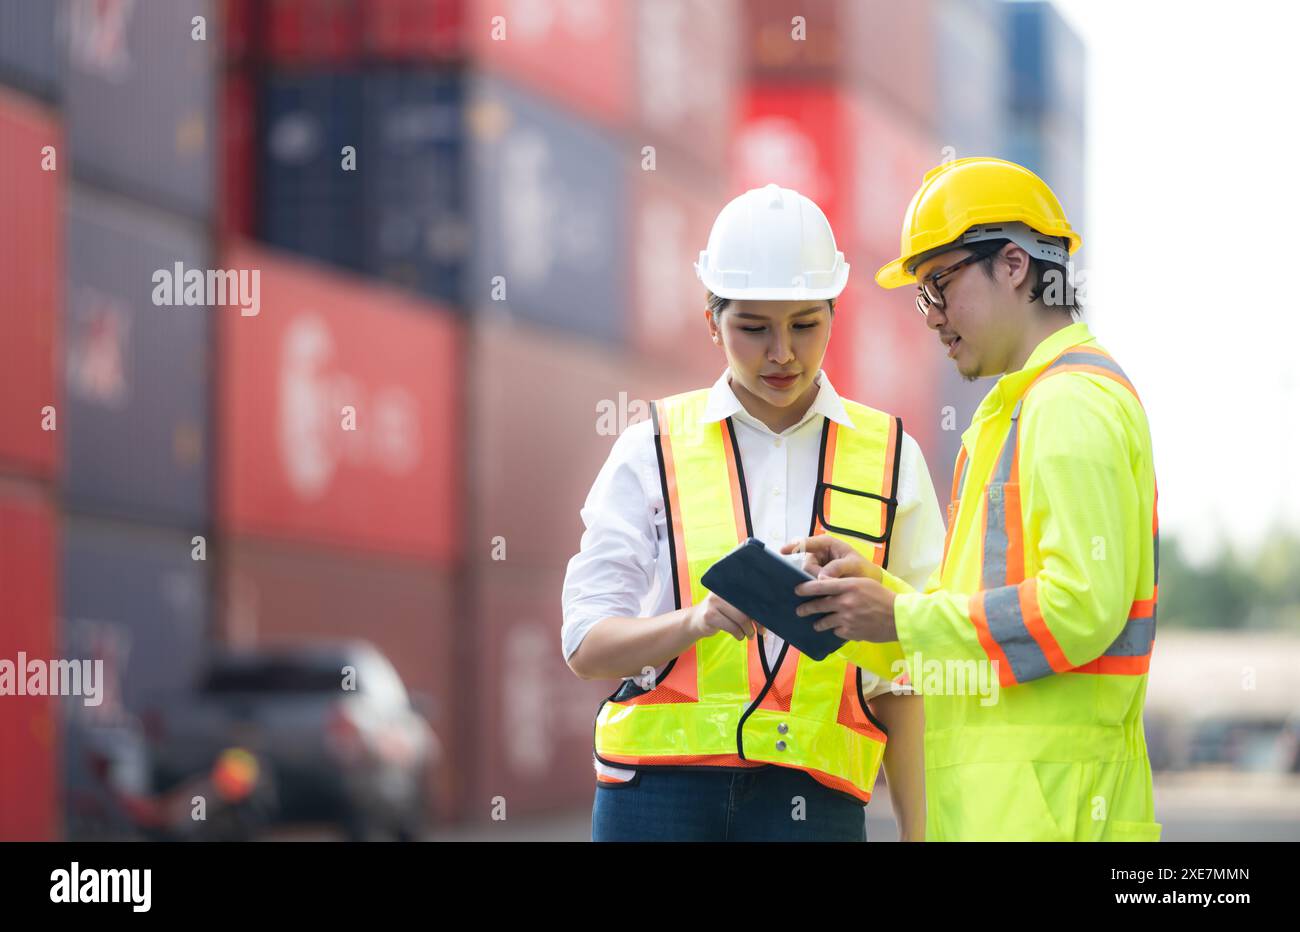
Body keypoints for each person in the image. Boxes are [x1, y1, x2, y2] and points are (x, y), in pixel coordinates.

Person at [783, 157, 1161, 841]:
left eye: (938, 287)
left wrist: (901, 616)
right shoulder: (1005, 417)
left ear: (1014, 265)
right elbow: (979, 630)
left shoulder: (1069, 405)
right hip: (1011, 809)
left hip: (1055, 813)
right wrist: (874, 601)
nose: (930, 318)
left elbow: (1081, 606)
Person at [561, 183, 946, 842]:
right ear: (712, 321)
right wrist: (697, 622)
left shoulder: (890, 457)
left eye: (804, 324)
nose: (782, 354)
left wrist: (924, 834)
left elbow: (913, 672)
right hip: (656, 797)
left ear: (833, 313)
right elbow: (585, 645)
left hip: (811, 799)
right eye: (753, 327)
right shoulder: (651, 445)